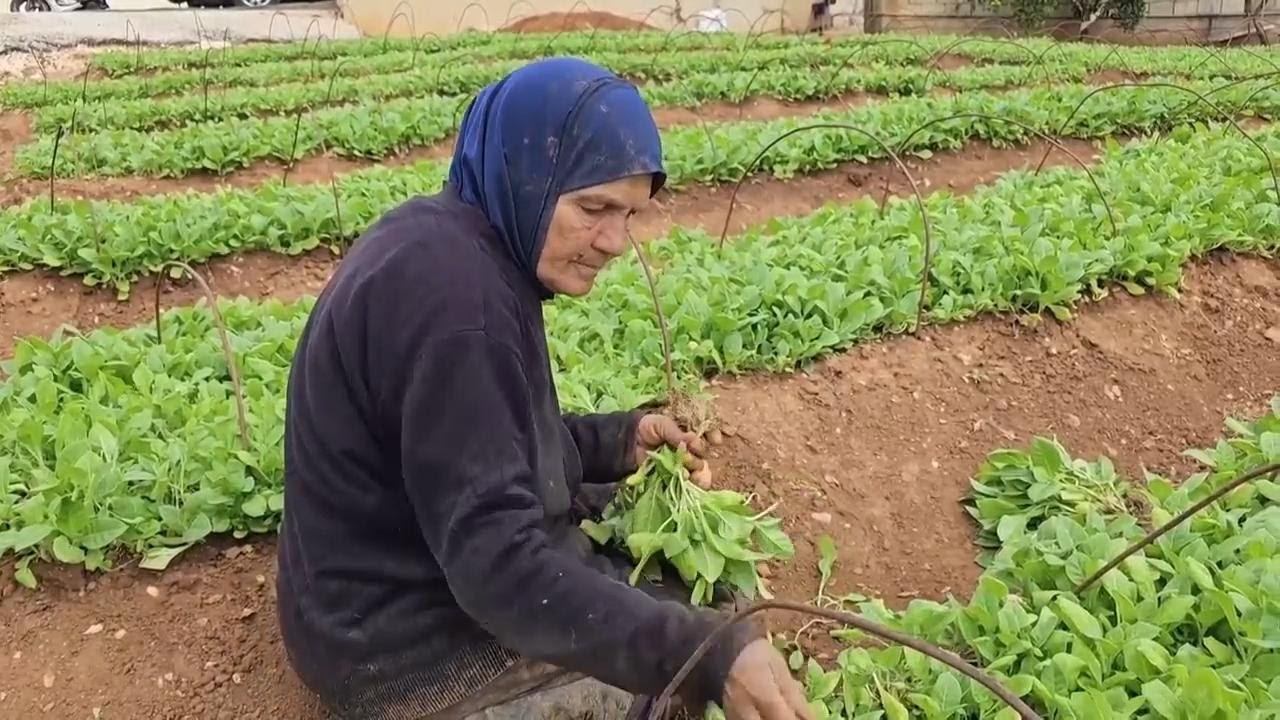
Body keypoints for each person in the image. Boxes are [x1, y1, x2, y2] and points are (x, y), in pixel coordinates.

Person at [276, 57, 813, 720]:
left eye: (630, 214)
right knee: (701, 658)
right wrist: (698, 654)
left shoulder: (455, 242)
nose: (615, 240)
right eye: (594, 207)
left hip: (375, 595)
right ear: (528, 177)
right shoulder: (456, 305)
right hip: (407, 652)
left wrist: (618, 441)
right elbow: (498, 567)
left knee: (693, 608)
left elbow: (484, 442)